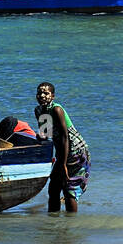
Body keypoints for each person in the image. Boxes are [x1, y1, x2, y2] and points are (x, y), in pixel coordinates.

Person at [34, 82, 90, 212]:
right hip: (62, 152)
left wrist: (63, 164)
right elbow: (46, 134)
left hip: (75, 151)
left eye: (46, 93)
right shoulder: (39, 110)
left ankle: (70, 225)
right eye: (39, 93)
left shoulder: (56, 110)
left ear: (53, 96)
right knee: (54, 188)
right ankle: (54, 224)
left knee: (69, 189)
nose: (42, 95)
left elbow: (65, 137)